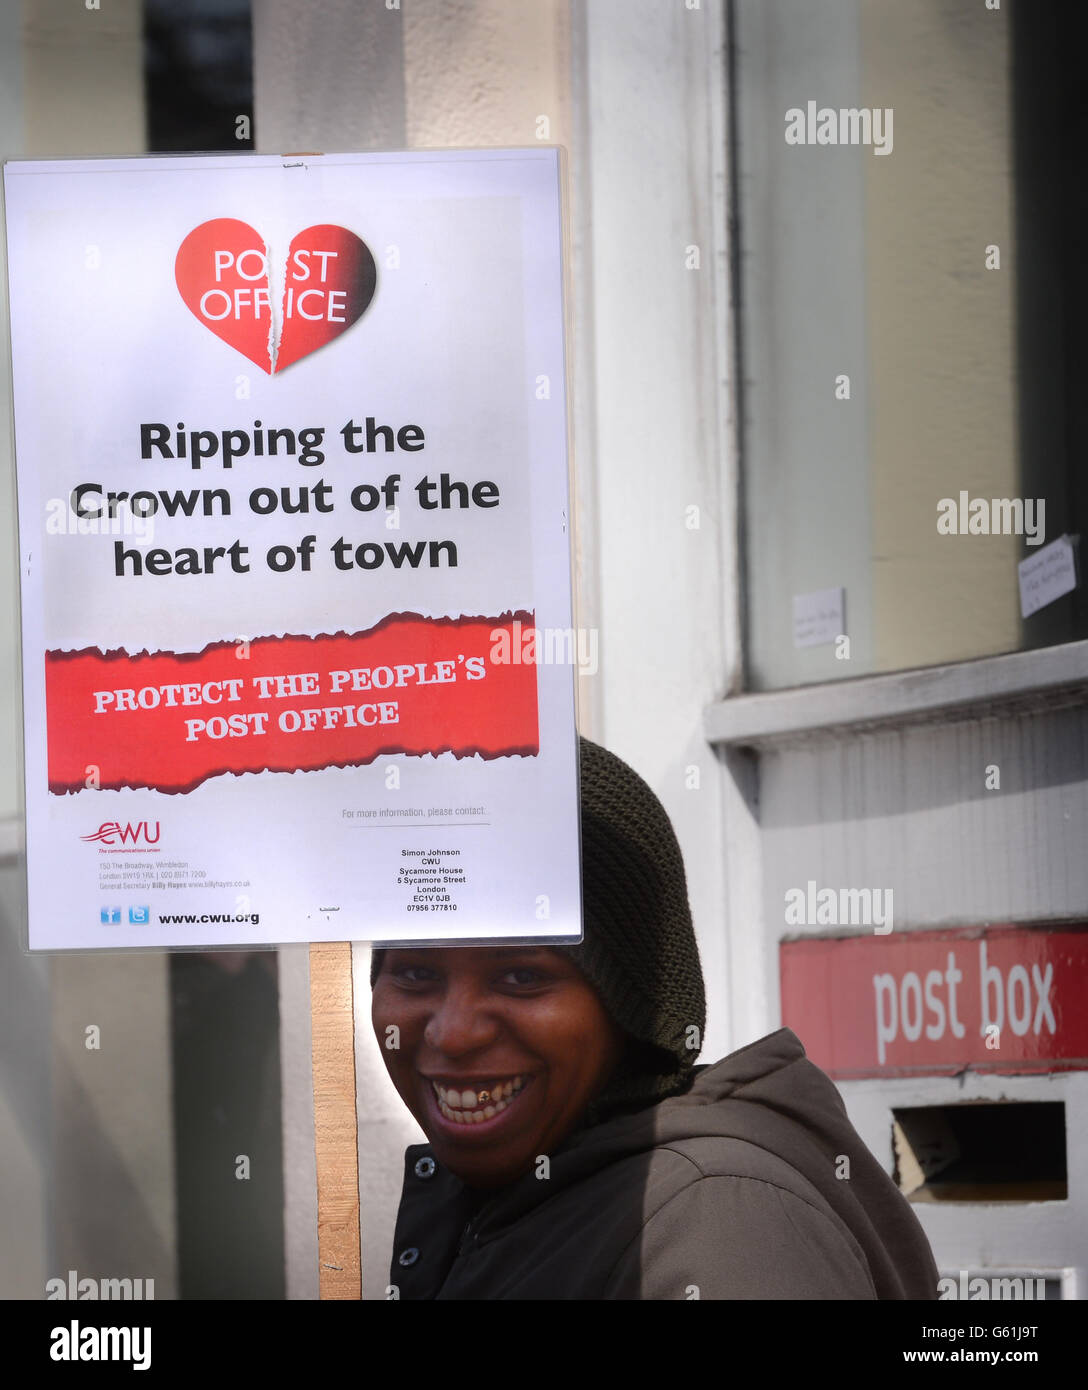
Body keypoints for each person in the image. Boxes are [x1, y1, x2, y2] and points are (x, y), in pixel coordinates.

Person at [369, 735, 939, 1299]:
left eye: (521, 977)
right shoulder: (501, 1202)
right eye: (416, 973)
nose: (454, 1032)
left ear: (631, 1005)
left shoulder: (716, 1224)